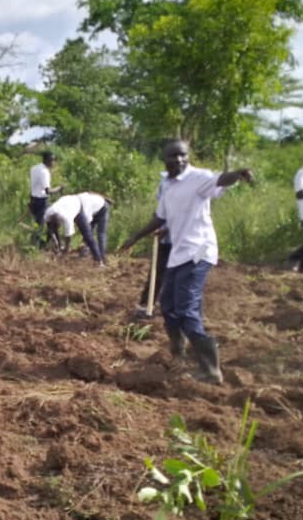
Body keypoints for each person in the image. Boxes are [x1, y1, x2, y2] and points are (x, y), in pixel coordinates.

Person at [120, 139, 253, 384]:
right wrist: (135, 237)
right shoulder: (168, 185)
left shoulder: (197, 178)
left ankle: (211, 370)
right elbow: (159, 217)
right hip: (179, 252)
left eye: (183, 155)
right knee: (168, 305)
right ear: (164, 160)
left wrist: (238, 174)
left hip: (199, 250)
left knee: (186, 308)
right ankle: (178, 354)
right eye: (173, 156)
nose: (179, 160)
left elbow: (221, 179)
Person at [134, 175, 172, 318]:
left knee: (179, 276)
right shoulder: (165, 182)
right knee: (157, 272)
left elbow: (186, 216)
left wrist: (167, 228)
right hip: (165, 240)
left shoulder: (189, 188)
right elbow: (161, 211)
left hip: (183, 242)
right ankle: (146, 305)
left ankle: (177, 310)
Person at [44, 192, 107, 265]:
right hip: (67, 200)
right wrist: (55, 241)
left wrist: (65, 251)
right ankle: (58, 249)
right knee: (55, 235)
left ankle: (99, 261)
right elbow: (50, 229)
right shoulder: (48, 213)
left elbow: (68, 237)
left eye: (58, 225)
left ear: (59, 221)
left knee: (88, 236)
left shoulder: (67, 218)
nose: (59, 227)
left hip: (78, 206)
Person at [29, 151, 63, 236]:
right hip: (41, 201)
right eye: (53, 160)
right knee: (44, 222)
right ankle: (35, 241)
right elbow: (48, 191)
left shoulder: (34, 168)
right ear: (48, 160)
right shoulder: (44, 172)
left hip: (33, 199)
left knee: (38, 221)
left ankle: (38, 236)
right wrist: (59, 188)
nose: (54, 163)